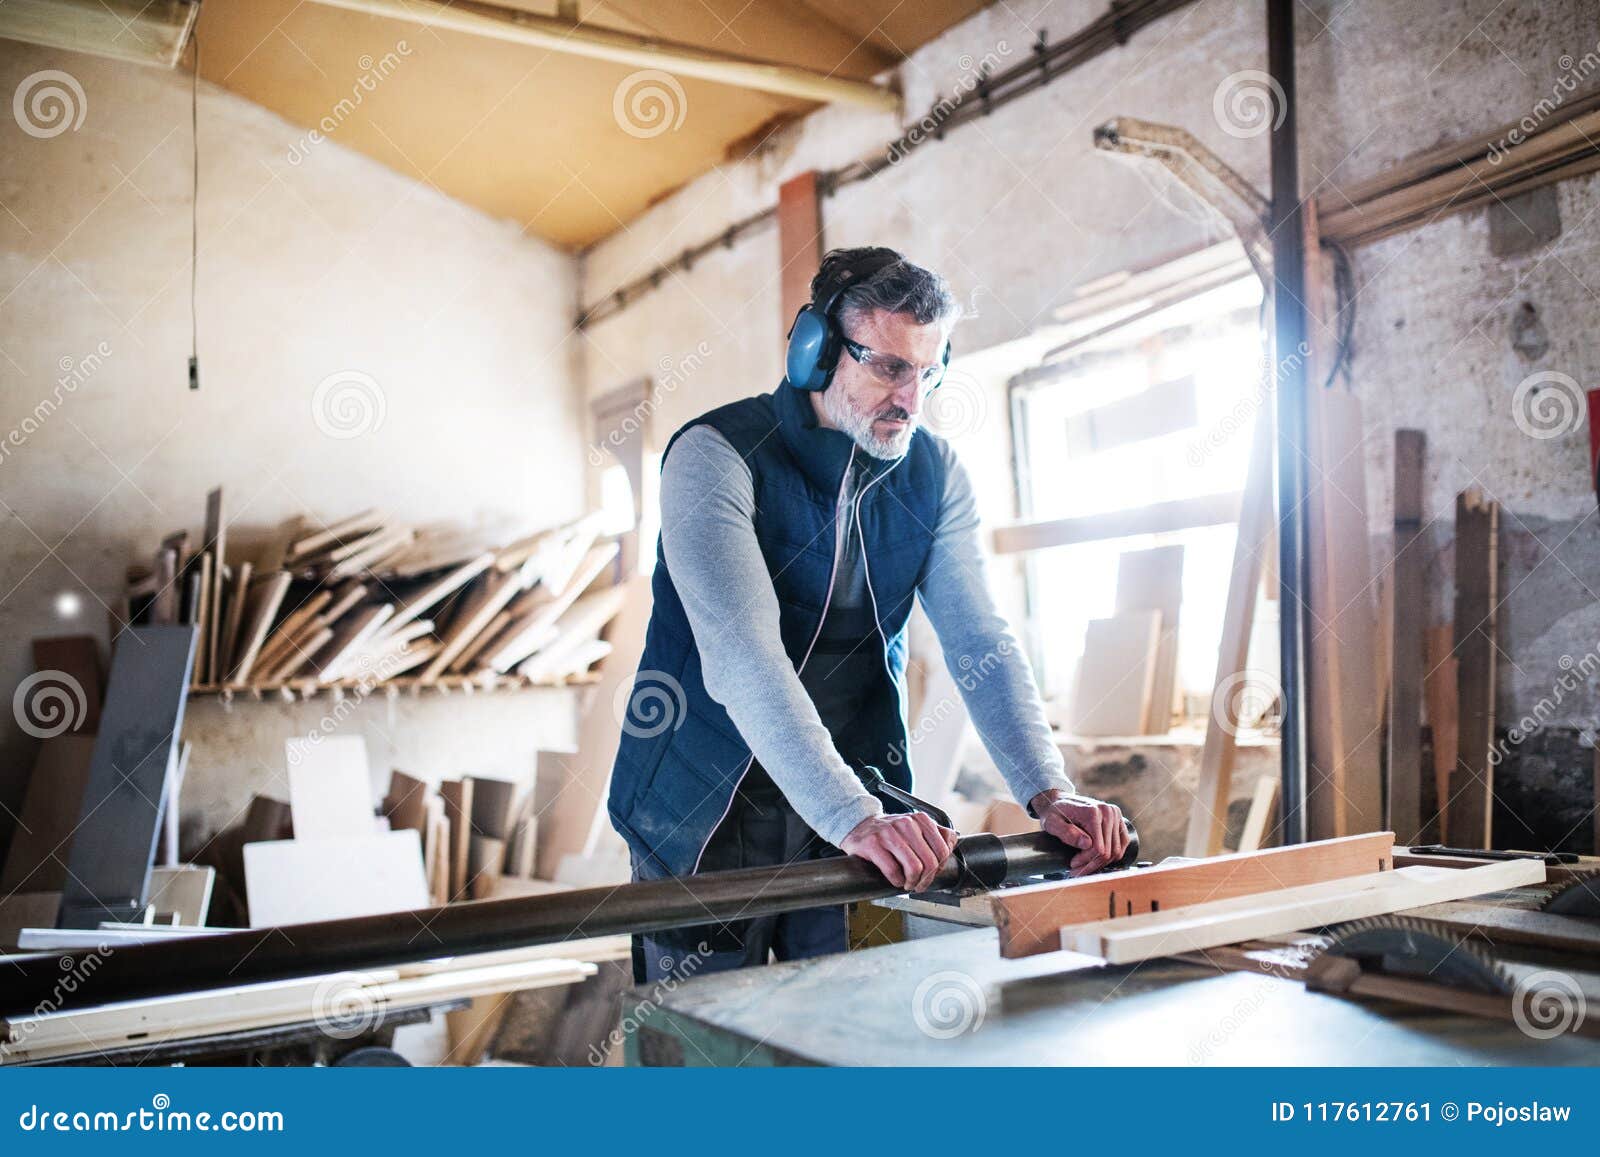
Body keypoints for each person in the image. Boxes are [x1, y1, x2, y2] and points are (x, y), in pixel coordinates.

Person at [608, 247, 1129, 983]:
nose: (911, 400)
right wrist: (851, 813)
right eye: (887, 366)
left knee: (849, 1026)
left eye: (928, 371)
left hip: (856, 792)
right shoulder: (715, 455)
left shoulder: (935, 474)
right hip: (708, 805)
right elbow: (742, 654)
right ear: (814, 352)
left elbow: (980, 640)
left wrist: (1050, 790)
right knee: (708, 1045)